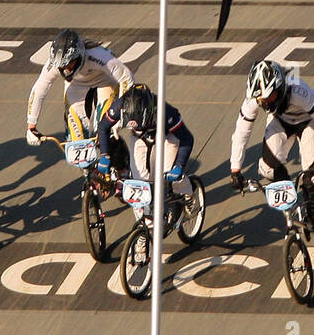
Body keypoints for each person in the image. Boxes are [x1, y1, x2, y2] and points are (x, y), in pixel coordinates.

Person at [229, 60, 314, 256]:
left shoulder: (298, 91)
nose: (265, 103)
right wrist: (235, 168)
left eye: (269, 98)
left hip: (309, 122)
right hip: (281, 122)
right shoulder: (255, 99)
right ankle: (293, 201)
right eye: (261, 101)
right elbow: (241, 132)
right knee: (267, 169)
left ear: (280, 87)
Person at [97, 83, 198, 218]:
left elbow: (187, 139)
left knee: (169, 175)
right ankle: (144, 224)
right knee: (138, 184)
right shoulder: (118, 107)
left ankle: (188, 195)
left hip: (167, 136)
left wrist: (179, 166)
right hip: (139, 137)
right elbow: (103, 127)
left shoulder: (166, 111)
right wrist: (105, 155)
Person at [26, 29, 134, 146]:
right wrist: (31, 126)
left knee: (103, 131)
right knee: (76, 142)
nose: (65, 70)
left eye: (68, 64)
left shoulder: (99, 56)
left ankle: (116, 156)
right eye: (61, 67)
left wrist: (122, 112)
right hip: (76, 85)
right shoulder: (54, 63)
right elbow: (39, 89)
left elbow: (126, 78)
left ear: (79, 56)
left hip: (105, 82)